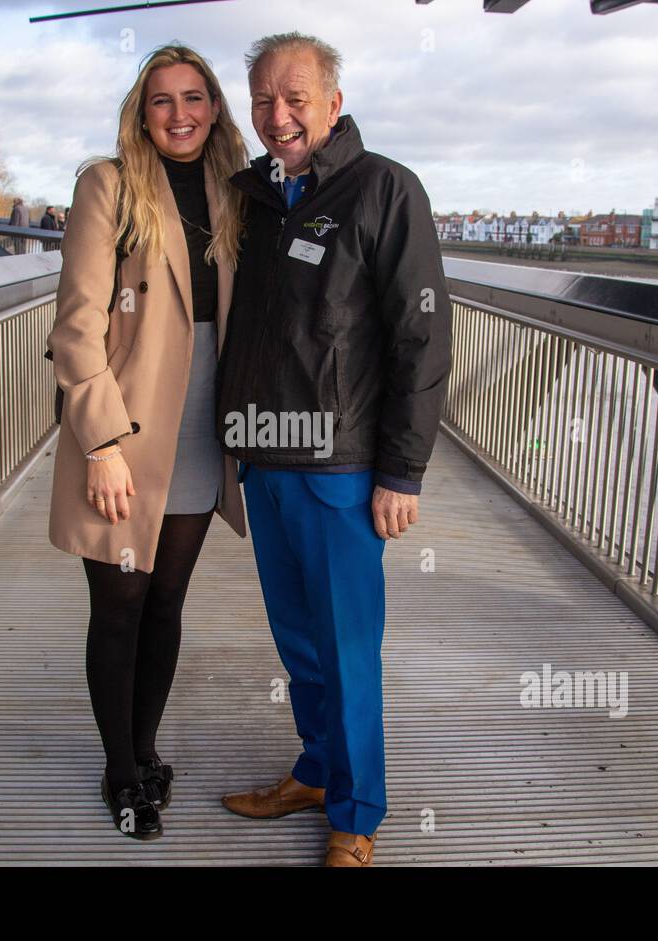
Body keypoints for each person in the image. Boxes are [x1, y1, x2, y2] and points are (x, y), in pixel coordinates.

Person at [215, 33, 450, 866]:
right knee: (300, 643)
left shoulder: (383, 189)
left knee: (348, 650)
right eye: (264, 102)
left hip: (343, 466)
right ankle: (316, 770)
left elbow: (422, 338)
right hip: (267, 460)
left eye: (296, 98)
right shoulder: (254, 197)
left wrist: (402, 471)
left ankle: (356, 818)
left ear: (333, 103)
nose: (279, 116)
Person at [45, 44, 249, 840]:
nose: (180, 114)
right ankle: (120, 772)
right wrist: (100, 444)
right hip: (125, 422)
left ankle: (146, 744)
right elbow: (75, 327)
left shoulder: (237, 192)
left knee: (167, 599)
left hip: (202, 420)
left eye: (194, 97)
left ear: (214, 107)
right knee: (121, 603)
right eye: (161, 100)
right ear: (142, 110)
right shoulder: (109, 184)